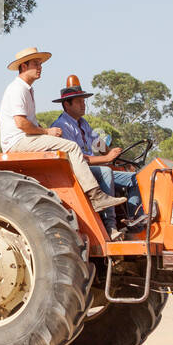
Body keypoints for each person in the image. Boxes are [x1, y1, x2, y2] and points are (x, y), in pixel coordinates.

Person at [0, 47, 124, 214]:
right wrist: (47, 132)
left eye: (40, 63)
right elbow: (21, 123)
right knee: (71, 147)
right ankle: (96, 197)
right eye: (36, 63)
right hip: (18, 141)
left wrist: (110, 154)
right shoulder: (18, 89)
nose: (40, 67)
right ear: (23, 66)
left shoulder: (83, 123)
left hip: (26, 138)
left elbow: (97, 141)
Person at [52, 75, 144, 238]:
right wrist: (106, 158)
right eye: (79, 101)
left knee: (133, 178)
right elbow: (76, 159)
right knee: (105, 171)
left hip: (92, 168)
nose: (83, 105)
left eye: (84, 101)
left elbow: (100, 146)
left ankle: (135, 222)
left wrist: (117, 156)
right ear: (67, 104)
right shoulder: (61, 126)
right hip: (78, 172)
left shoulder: (83, 123)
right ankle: (110, 227)